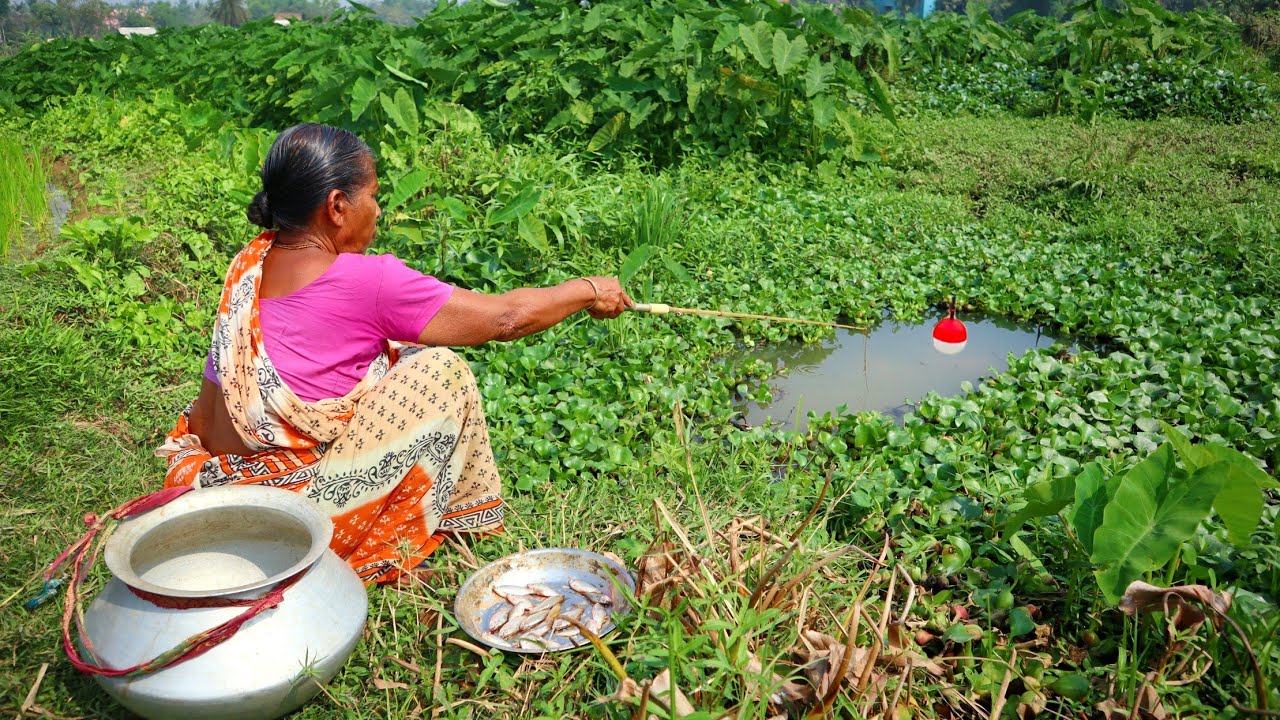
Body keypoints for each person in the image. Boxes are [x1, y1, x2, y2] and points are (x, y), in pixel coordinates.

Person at [156, 123, 632, 584]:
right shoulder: (367, 280)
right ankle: (391, 544)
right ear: (338, 206)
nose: (379, 210)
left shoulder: (250, 262)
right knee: (438, 369)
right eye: (373, 196)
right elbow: (507, 318)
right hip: (291, 523)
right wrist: (589, 289)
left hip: (209, 494)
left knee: (396, 351)